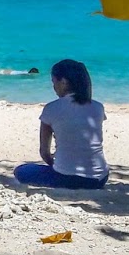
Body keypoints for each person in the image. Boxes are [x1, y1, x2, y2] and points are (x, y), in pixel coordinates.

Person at [14, 59, 108, 189]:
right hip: (99, 178)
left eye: (54, 82)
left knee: (21, 171)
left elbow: (44, 153)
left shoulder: (51, 108)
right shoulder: (98, 107)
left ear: (63, 82)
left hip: (68, 179)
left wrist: (56, 164)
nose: (54, 87)